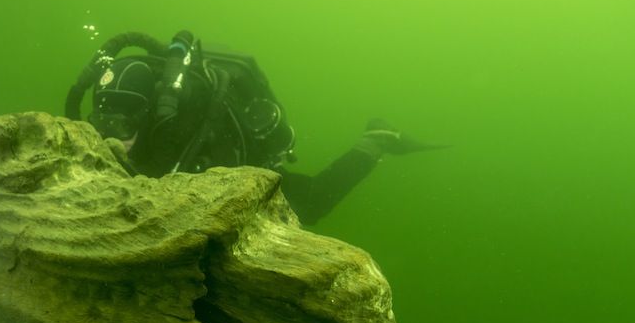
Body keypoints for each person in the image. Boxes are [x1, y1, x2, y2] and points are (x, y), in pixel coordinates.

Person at [64, 30, 440, 225]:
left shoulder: (178, 131)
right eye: (104, 121)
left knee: (307, 206)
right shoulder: (123, 129)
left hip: (231, 162)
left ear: (149, 113)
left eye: (125, 122)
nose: (113, 133)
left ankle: (374, 142)